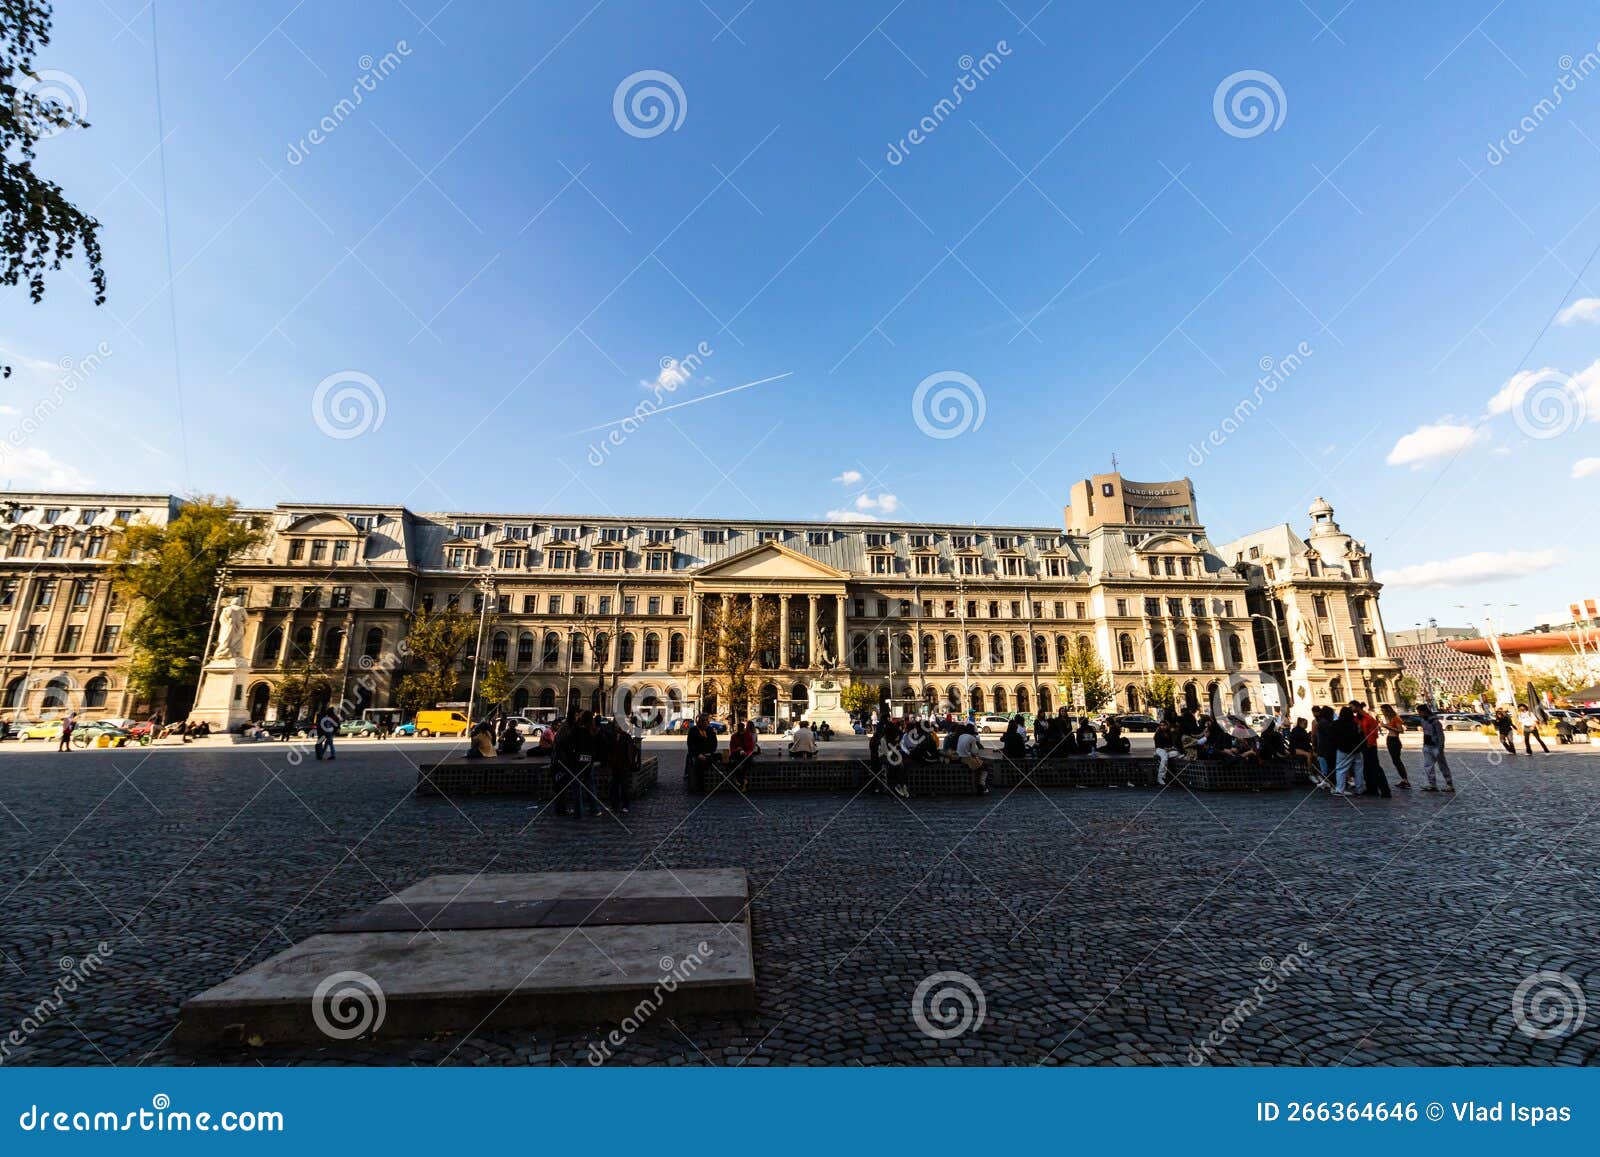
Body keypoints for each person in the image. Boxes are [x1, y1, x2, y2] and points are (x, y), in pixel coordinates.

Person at [1354, 702, 1390, 798]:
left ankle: (1385, 791)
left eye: (1352, 707)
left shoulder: (1368, 718)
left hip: (1370, 746)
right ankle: (1372, 788)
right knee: (1366, 768)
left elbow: (1374, 733)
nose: (1351, 709)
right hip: (1362, 745)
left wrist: (1369, 744)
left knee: (1375, 768)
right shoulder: (1358, 718)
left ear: (1357, 707)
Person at [1417, 704, 1455, 792]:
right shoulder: (1423, 721)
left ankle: (1449, 784)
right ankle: (1432, 784)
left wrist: (1440, 747)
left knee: (1442, 766)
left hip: (1436, 746)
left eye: (1420, 712)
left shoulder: (1435, 721)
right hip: (1427, 746)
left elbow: (1440, 735)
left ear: (1425, 711)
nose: (1419, 714)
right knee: (1428, 766)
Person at [1331, 705, 1364, 796]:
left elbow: (1333, 738)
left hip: (1342, 749)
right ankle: (1359, 789)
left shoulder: (1335, 724)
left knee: (1341, 769)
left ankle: (1340, 789)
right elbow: (1360, 737)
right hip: (1356, 749)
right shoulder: (1354, 724)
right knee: (1358, 769)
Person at [684, 714, 719, 792]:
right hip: (697, 754)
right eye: (703, 721)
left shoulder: (710, 730)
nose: (705, 723)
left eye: (707, 721)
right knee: (700, 763)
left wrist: (709, 752)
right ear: (699, 722)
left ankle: (713, 783)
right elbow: (691, 745)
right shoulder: (693, 730)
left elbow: (714, 744)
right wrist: (698, 754)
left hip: (708, 754)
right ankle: (700, 786)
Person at [1379, 704, 1410, 788]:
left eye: (1383, 710)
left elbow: (1400, 730)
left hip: (1395, 741)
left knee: (1397, 761)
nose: (1382, 712)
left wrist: (1387, 726)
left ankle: (1405, 780)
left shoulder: (1396, 718)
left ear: (1387, 710)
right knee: (1395, 761)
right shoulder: (1389, 719)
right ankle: (1404, 780)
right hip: (1390, 740)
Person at [956, 723, 988, 795]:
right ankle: (981, 785)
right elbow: (975, 752)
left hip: (959, 757)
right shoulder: (972, 738)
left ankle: (980, 786)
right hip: (966, 758)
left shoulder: (961, 736)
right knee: (983, 767)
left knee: (979, 764)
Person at [728, 720, 759, 792]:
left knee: (746, 763)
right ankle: (743, 781)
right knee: (733, 763)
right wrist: (737, 750)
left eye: (741, 729)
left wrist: (746, 753)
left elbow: (751, 748)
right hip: (737, 755)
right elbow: (732, 748)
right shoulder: (734, 736)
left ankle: (740, 781)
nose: (740, 730)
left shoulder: (748, 736)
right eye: (739, 729)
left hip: (746, 755)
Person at [1152, 717, 1180, 785]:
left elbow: (1171, 743)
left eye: (1164, 725)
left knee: (1177, 753)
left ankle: (1158, 755)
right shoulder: (1158, 733)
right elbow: (1158, 744)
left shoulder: (1169, 733)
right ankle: (1160, 777)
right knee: (1164, 758)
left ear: (1167, 725)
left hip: (1168, 750)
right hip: (1160, 749)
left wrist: (1170, 748)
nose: (1162, 727)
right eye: (1161, 725)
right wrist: (1165, 748)